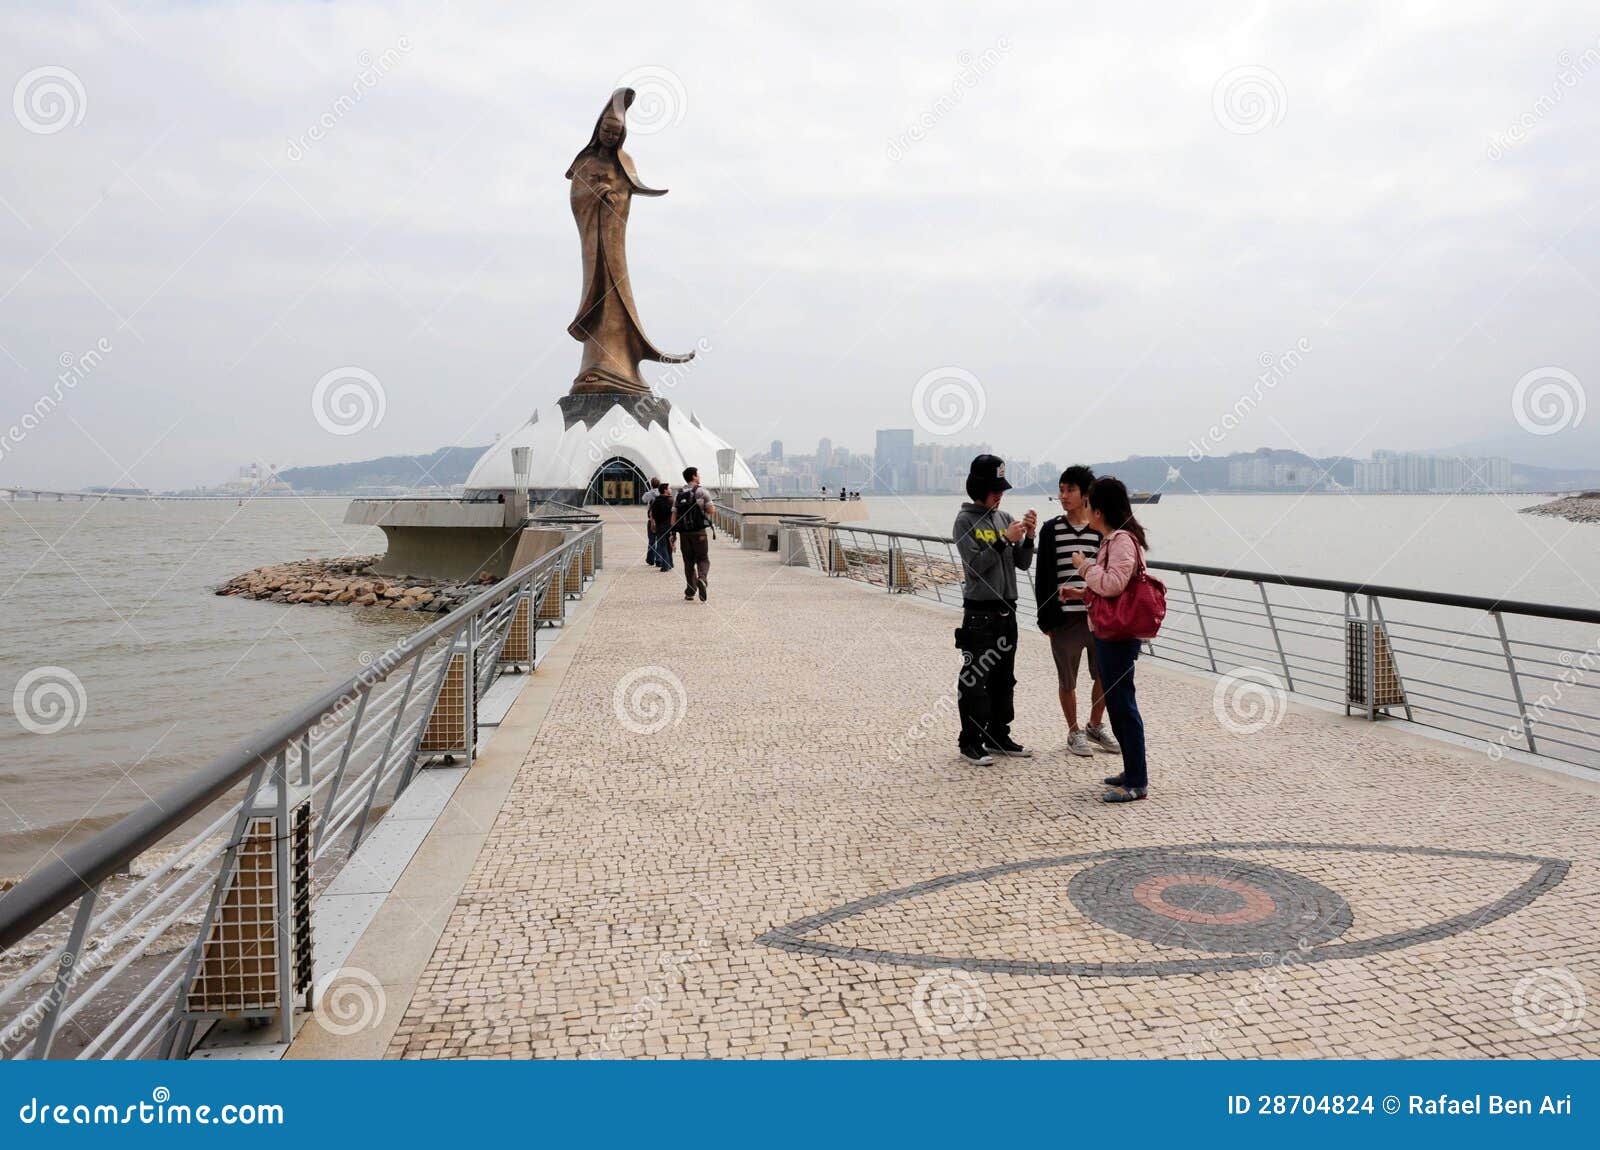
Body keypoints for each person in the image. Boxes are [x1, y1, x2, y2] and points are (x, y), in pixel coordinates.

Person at [1067, 476, 1151, 803]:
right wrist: (1083, 591)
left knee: (1123, 706)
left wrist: (1084, 567)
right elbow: (1110, 589)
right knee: (1117, 705)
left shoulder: (1121, 541)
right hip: (1107, 632)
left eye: (1087, 503)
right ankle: (1131, 771)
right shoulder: (1110, 540)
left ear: (1098, 511)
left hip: (1119, 636)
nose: (1085, 509)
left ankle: (1137, 781)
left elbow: (1115, 584)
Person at [952, 454, 1036, 764]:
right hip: (979, 614)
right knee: (975, 677)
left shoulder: (1004, 518)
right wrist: (1003, 540)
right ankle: (970, 740)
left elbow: (1023, 564)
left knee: (1005, 678)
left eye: (1002, 490)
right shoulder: (963, 521)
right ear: (980, 487)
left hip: (1006, 610)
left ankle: (998, 734)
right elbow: (975, 566)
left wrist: (1028, 537)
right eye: (995, 489)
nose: (1000, 495)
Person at [1034, 466, 1119, 758]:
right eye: (1061, 489)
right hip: (1063, 618)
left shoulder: (1101, 531)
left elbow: (1109, 572)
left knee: (1105, 674)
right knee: (1066, 679)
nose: (1063, 496)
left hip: (1099, 616)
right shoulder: (1051, 529)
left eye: (1070, 490)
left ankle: (1095, 725)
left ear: (1086, 495)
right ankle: (1073, 732)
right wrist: (1044, 618)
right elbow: (1043, 575)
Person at [673, 465, 713, 601]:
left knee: (688, 562)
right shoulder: (702, 492)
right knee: (703, 558)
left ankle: (690, 591)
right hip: (699, 532)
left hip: (684, 534)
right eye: (698, 474)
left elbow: (674, 516)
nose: (699, 476)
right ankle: (702, 579)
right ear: (694, 477)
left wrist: (673, 534)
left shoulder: (679, 494)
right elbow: (711, 510)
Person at [648, 481, 675, 571]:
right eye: (669, 488)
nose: (670, 490)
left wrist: (653, 523)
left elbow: (652, 513)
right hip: (670, 525)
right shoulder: (671, 500)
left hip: (660, 525)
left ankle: (666, 565)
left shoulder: (657, 501)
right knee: (669, 544)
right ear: (665, 490)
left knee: (662, 544)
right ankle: (669, 563)